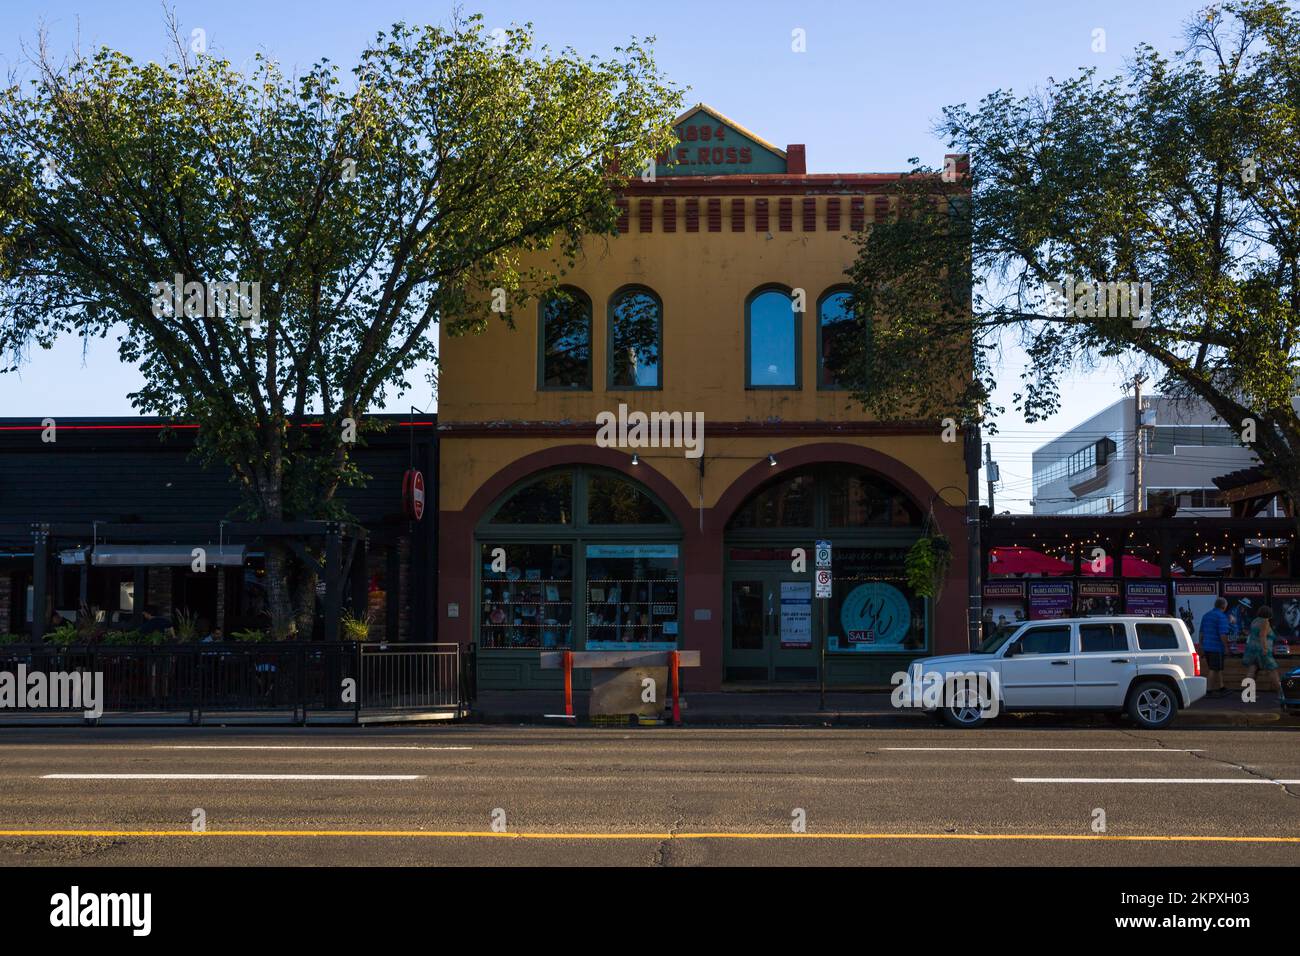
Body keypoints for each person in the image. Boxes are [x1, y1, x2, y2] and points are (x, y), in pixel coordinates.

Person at [1198, 597, 1232, 697]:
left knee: (1218, 668)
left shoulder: (1206, 616)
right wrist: (1226, 647)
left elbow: (1201, 632)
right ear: (1224, 606)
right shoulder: (1221, 616)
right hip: (1216, 647)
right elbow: (1223, 634)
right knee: (1213, 669)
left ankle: (1221, 687)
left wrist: (1201, 645)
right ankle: (1208, 690)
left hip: (1207, 647)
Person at [1243, 606, 1281, 694]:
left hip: (1251, 650)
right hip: (1262, 650)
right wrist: (1265, 649)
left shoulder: (1255, 621)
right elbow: (1262, 636)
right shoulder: (1265, 622)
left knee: (1252, 669)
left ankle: (1248, 694)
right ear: (1269, 613)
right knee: (1272, 670)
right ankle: (1282, 693)